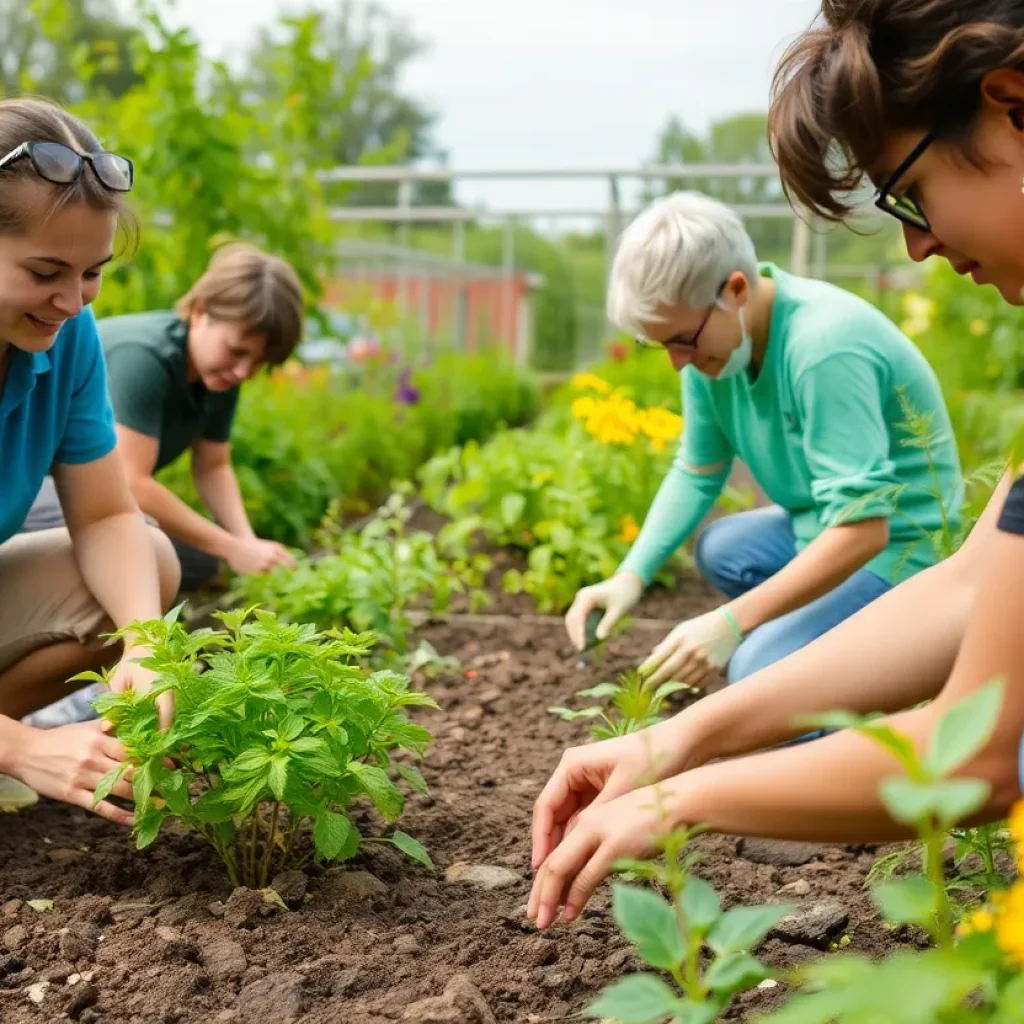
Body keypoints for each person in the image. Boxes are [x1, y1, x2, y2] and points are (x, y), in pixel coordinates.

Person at [527, 0, 1024, 932]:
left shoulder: (823, 344)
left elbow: (977, 748)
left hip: (888, 547)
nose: (914, 242)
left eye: (904, 192)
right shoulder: (712, 358)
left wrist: (686, 788)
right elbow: (979, 585)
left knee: (760, 656)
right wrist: (675, 734)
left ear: (1012, 106)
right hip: (918, 566)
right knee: (730, 557)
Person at [565, 191, 962, 690]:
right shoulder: (712, 350)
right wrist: (631, 575)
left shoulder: (823, 348)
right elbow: (698, 469)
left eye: (681, 340)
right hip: (819, 528)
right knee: (723, 548)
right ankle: (815, 635)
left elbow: (866, 530)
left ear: (734, 291)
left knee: (756, 673)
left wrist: (733, 623)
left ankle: (897, 663)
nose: (676, 362)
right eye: (660, 343)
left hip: (902, 556)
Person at [0, 98, 180, 825]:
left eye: (93, 273)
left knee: (149, 569)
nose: (73, 301)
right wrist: (20, 750)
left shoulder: (64, 336)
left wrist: (147, 646)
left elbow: (107, 512)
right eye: (47, 270)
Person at [22, 242, 303, 592]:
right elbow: (130, 482)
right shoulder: (146, 357)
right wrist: (232, 547)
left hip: (92, 500)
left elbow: (213, 465)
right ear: (201, 313)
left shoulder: (219, 375)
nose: (244, 371)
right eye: (237, 351)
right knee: (151, 551)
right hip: (35, 489)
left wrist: (247, 543)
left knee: (199, 562)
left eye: (259, 362)